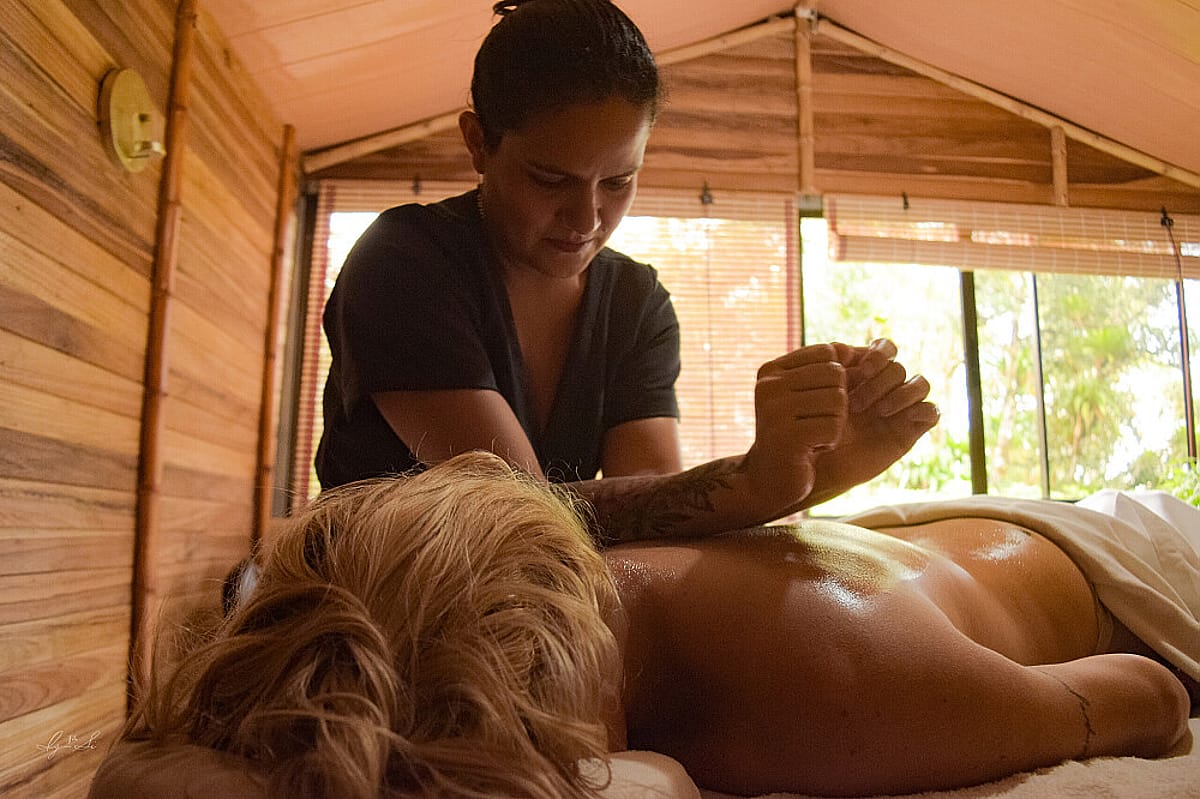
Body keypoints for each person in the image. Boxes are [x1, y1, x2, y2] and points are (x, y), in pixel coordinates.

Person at [92, 452, 1194, 799]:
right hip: (908, 539)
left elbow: (1151, 699)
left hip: (1117, 556)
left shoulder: (837, 690)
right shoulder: (516, 579)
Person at [314, 0, 938, 541]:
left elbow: (653, 512)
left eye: (619, 181)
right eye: (550, 179)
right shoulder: (403, 262)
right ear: (478, 142)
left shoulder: (636, 302)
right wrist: (757, 482)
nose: (587, 217)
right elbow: (516, 515)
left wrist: (814, 470)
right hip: (356, 609)